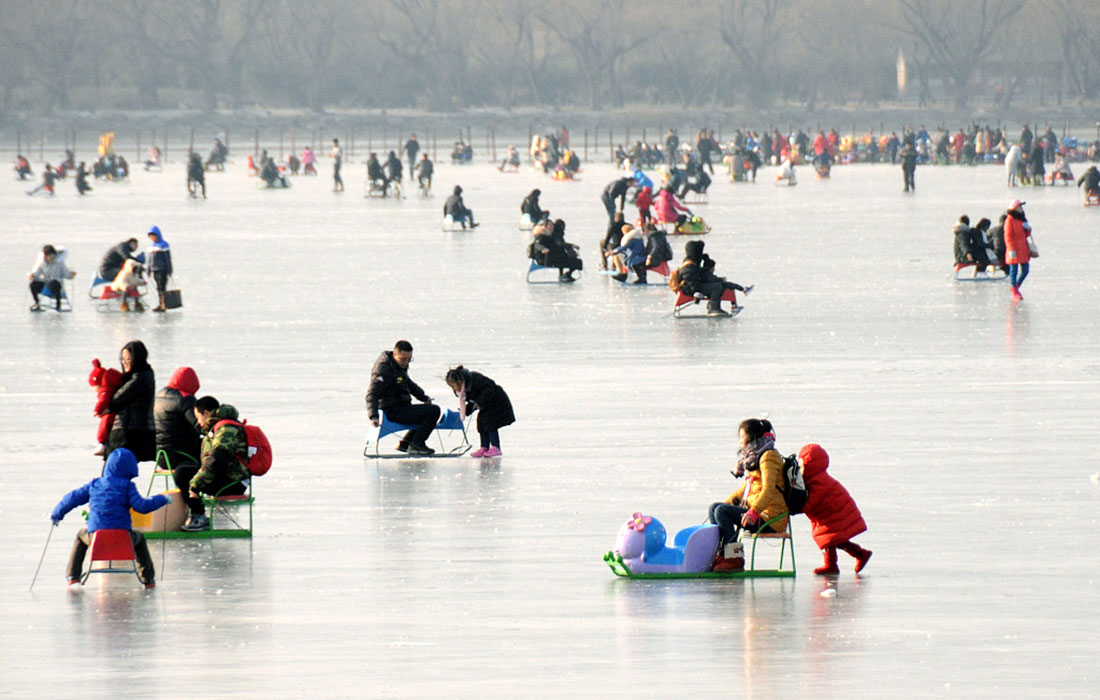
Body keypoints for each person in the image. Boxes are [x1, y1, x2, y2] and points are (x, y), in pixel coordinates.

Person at [51, 448, 168, 587]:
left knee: (80, 536)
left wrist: (57, 514)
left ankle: (73, 576)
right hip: (124, 538)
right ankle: (148, 578)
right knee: (140, 538)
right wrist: (162, 499)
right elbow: (142, 506)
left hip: (95, 537)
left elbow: (72, 498)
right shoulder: (127, 486)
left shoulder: (94, 485)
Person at [708, 418, 788, 571]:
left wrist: (754, 511)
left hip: (770, 517)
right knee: (715, 508)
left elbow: (768, 490)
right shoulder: (754, 458)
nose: (740, 441)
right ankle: (720, 553)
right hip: (758, 512)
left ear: (751, 437)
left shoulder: (768, 457)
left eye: (742, 437)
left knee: (722, 511)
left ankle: (734, 558)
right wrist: (727, 502)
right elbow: (745, 490)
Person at [798, 443, 872, 575]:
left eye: (802, 465)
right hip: (831, 513)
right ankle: (855, 555)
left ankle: (846, 560)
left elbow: (812, 501)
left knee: (831, 540)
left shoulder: (818, 481)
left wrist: (800, 507)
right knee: (833, 540)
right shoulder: (817, 478)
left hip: (835, 514)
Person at [180, 396, 250, 531]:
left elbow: (216, 461)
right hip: (229, 476)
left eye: (198, 417)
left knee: (184, 474)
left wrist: (195, 485)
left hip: (234, 482)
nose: (198, 422)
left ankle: (198, 517)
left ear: (206, 413)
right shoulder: (218, 428)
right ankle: (197, 515)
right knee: (185, 469)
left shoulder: (226, 429)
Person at [365, 341, 440, 455]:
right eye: (403, 359)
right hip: (392, 410)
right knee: (433, 411)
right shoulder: (383, 370)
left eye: (409, 359)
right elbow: (372, 394)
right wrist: (374, 416)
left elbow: (408, 383)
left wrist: (424, 398)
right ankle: (417, 445)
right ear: (395, 355)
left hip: (402, 406)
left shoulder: (397, 366)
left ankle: (406, 443)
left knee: (425, 410)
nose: (406, 362)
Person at [153, 367, 203, 526]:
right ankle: (199, 511)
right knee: (213, 458)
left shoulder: (159, 396)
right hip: (182, 455)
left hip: (161, 456)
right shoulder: (185, 399)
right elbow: (200, 426)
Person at [103, 340, 156, 462]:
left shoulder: (140, 377)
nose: (125, 363)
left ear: (137, 358)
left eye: (128, 359)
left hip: (130, 431)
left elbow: (116, 400)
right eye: (123, 359)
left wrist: (105, 396)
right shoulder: (136, 376)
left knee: (114, 468)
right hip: (130, 429)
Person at [445, 366, 515, 458]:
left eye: (453, 386)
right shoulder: (464, 389)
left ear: (459, 382)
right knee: (481, 423)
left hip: (497, 401)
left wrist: (478, 402)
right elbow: (472, 401)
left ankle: (495, 447)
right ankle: (484, 447)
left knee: (490, 423)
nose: (454, 389)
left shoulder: (475, 379)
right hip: (486, 404)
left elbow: (489, 390)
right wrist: (467, 410)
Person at [672, 240, 751, 317]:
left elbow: (700, 276)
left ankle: (721, 305)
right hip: (691, 290)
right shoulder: (689, 267)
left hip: (695, 286)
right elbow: (692, 283)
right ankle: (713, 307)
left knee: (719, 285)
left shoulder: (692, 264)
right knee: (716, 287)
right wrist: (696, 292)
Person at [89, 359, 123, 455]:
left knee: (104, 426)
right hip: (114, 412)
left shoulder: (105, 389)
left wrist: (97, 410)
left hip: (111, 414)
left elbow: (104, 399)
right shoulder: (110, 385)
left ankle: (102, 443)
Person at [27, 244, 76, 312]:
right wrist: (32, 275)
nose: (51, 258)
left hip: (56, 285)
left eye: (53, 256)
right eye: (49, 256)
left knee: (54, 283)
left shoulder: (59, 263)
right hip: (46, 283)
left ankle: (58, 304)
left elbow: (66, 274)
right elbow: (37, 273)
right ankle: (37, 302)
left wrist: (71, 275)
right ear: (46, 256)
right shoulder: (43, 263)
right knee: (33, 284)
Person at [1003, 199, 1032, 301]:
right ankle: (1014, 290)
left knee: (1025, 270)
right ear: (1015, 208)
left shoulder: (1022, 219)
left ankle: (1015, 287)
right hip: (1014, 249)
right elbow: (1008, 236)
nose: (1021, 208)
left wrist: (1028, 229)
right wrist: (1011, 249)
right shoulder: (1009, 221)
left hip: (1023, 248)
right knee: (1013, 270)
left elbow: (1025, 235)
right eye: (1020, 207)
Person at [145, 226, 172, 312]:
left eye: (153, 236)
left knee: (162, 287)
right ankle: (161, 303)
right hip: (154, 270)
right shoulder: (151, 246)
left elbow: (167, 259)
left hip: (162, 269)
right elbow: (149, 260)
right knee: (158, 287)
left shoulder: (163, 245)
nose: (152, 238)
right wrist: (148, 270)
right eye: (150, 236)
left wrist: (169, 270)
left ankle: (163, 304)